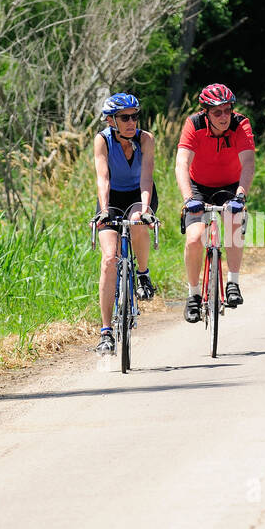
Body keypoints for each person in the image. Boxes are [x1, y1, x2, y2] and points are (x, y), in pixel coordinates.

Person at [174, 82, 254, 323]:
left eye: (227, 110)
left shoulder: (241, 124)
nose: (224, 116)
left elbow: (248, 163)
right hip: (198, 187)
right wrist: (188, 199)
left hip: (229, 186)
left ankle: (233, 282)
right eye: (217, 112)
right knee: (195, 238)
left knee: (233, 221)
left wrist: (240, 195)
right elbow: (181, 164)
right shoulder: (194, 124)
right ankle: (194, 295)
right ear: (205, 113)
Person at [93, 93, 158, 355]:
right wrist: (105, 209)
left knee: (137, 223)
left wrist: (144, 210)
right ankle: (106, 332)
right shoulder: (102, 140)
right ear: (111, 121)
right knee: (109, 259)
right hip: (112, 197)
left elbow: (146, 178)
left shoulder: (146, 140)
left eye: (134, 116)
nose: (132, 122)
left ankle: (142, 273)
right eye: (124, 118)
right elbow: (103, 177)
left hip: (139, 194)